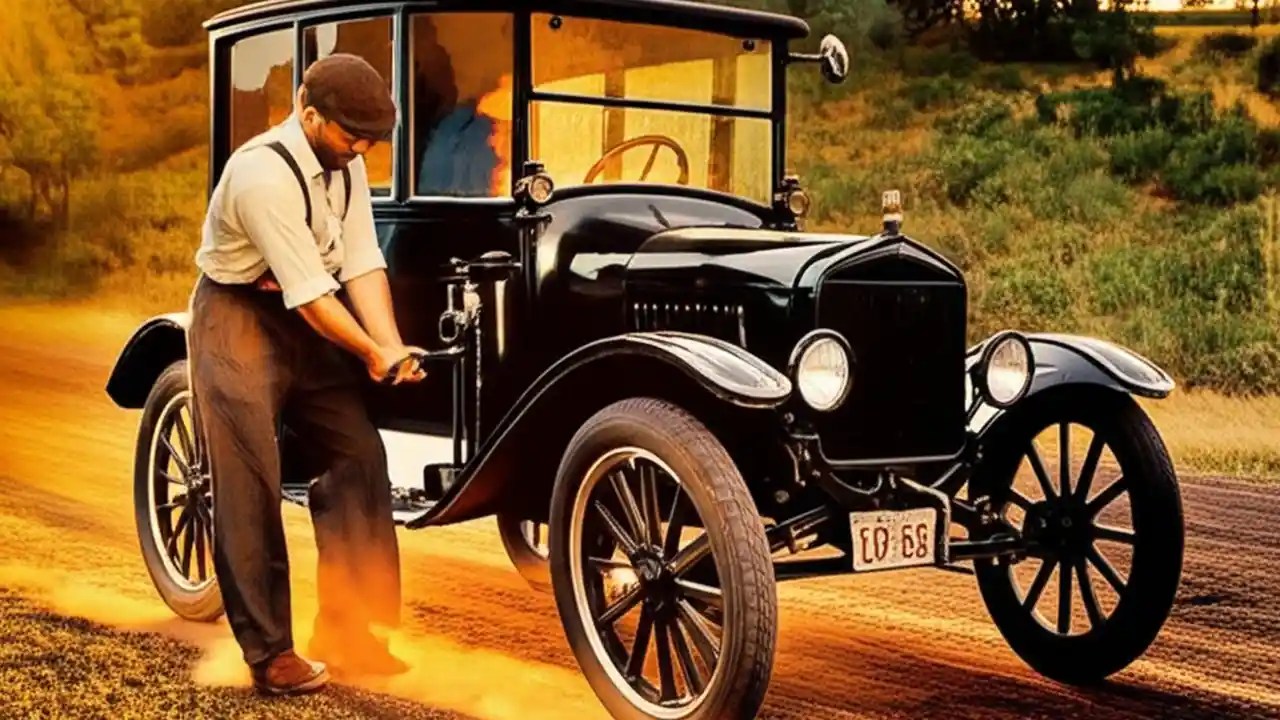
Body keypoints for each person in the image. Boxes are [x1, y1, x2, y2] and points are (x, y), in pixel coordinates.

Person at [188, 53, 424, 696]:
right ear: (307, 110)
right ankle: (270, 653)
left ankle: (349, 628)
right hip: (238, 312)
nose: (363, 147)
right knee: (248, 473)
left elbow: (362, 265)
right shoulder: (261, 173)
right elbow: (312, 294)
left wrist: (391, 342)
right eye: (353, 135)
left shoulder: (346, 167)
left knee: (358, 452)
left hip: (306, 314)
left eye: (373, 138)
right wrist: (372, 355)